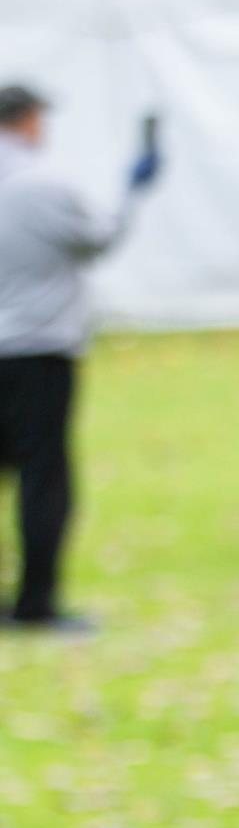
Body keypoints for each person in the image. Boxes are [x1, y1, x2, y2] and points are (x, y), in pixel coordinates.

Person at [0, 84, 160, 631]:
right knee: (44, 478)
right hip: (39, 348)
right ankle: (36, 602)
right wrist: (132, 191)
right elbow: (99, 237)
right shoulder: (43, 185)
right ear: (25, 120)